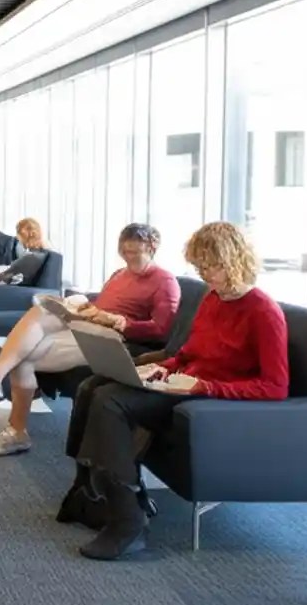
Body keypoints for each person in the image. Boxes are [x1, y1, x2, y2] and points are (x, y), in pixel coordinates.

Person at [58, 221, 287, 561]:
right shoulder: (213, 300)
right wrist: (159, 368)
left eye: (213, 266)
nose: (206, 275)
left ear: (236, 260)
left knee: (111, 403)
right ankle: (87, 491)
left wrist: (206, 385)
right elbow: (190, 353)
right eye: (201, 267)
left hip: (208, 394)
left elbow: (275, 386)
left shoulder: (263, 312)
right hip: (181, 382)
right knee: (92, 385)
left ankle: (129, 520)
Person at [0, 223, 181, 457]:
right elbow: (106, 303)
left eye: (135, 253)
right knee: (43, 311)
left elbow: (161, 330)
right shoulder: (120, 274)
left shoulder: (164, 281)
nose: (129, 259)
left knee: (24, 358)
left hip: (113, 338)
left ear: (152, 247)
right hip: (88, 325)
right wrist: (87, 308)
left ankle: (13, 425)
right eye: (125, 253)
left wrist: (118, 321)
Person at [0, 218, 50, 286]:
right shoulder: (44, 253)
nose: (17, 239)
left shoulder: (30, 258)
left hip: (22, 292)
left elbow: (3, 276)